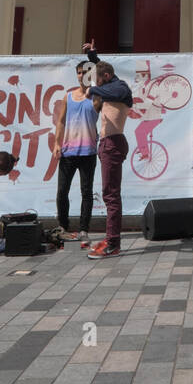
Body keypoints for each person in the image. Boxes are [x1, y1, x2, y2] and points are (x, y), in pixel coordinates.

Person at [81, 51, 133, 259]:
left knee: (111, 195)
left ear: (108, 77)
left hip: (113, 144)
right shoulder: (112, 84)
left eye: (99, 80)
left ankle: (113, 243)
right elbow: (107, 75)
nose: (98, 85)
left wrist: (92, 89)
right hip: (107, 144)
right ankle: (111, 239)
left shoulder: (121, 89)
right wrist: (93, 57)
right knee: (109, 193)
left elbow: (115, 89)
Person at [53, 60, 100, 241]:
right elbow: (61, 121)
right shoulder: (69, 96)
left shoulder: (97, 98)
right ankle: (63, 226)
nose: (82, 75)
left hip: (88, 152)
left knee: (86, 192)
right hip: (68, 152)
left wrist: (94, 58)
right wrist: (57, 144)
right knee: (62, 191)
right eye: (79, 72)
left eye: (86, 72)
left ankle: (83, 229)